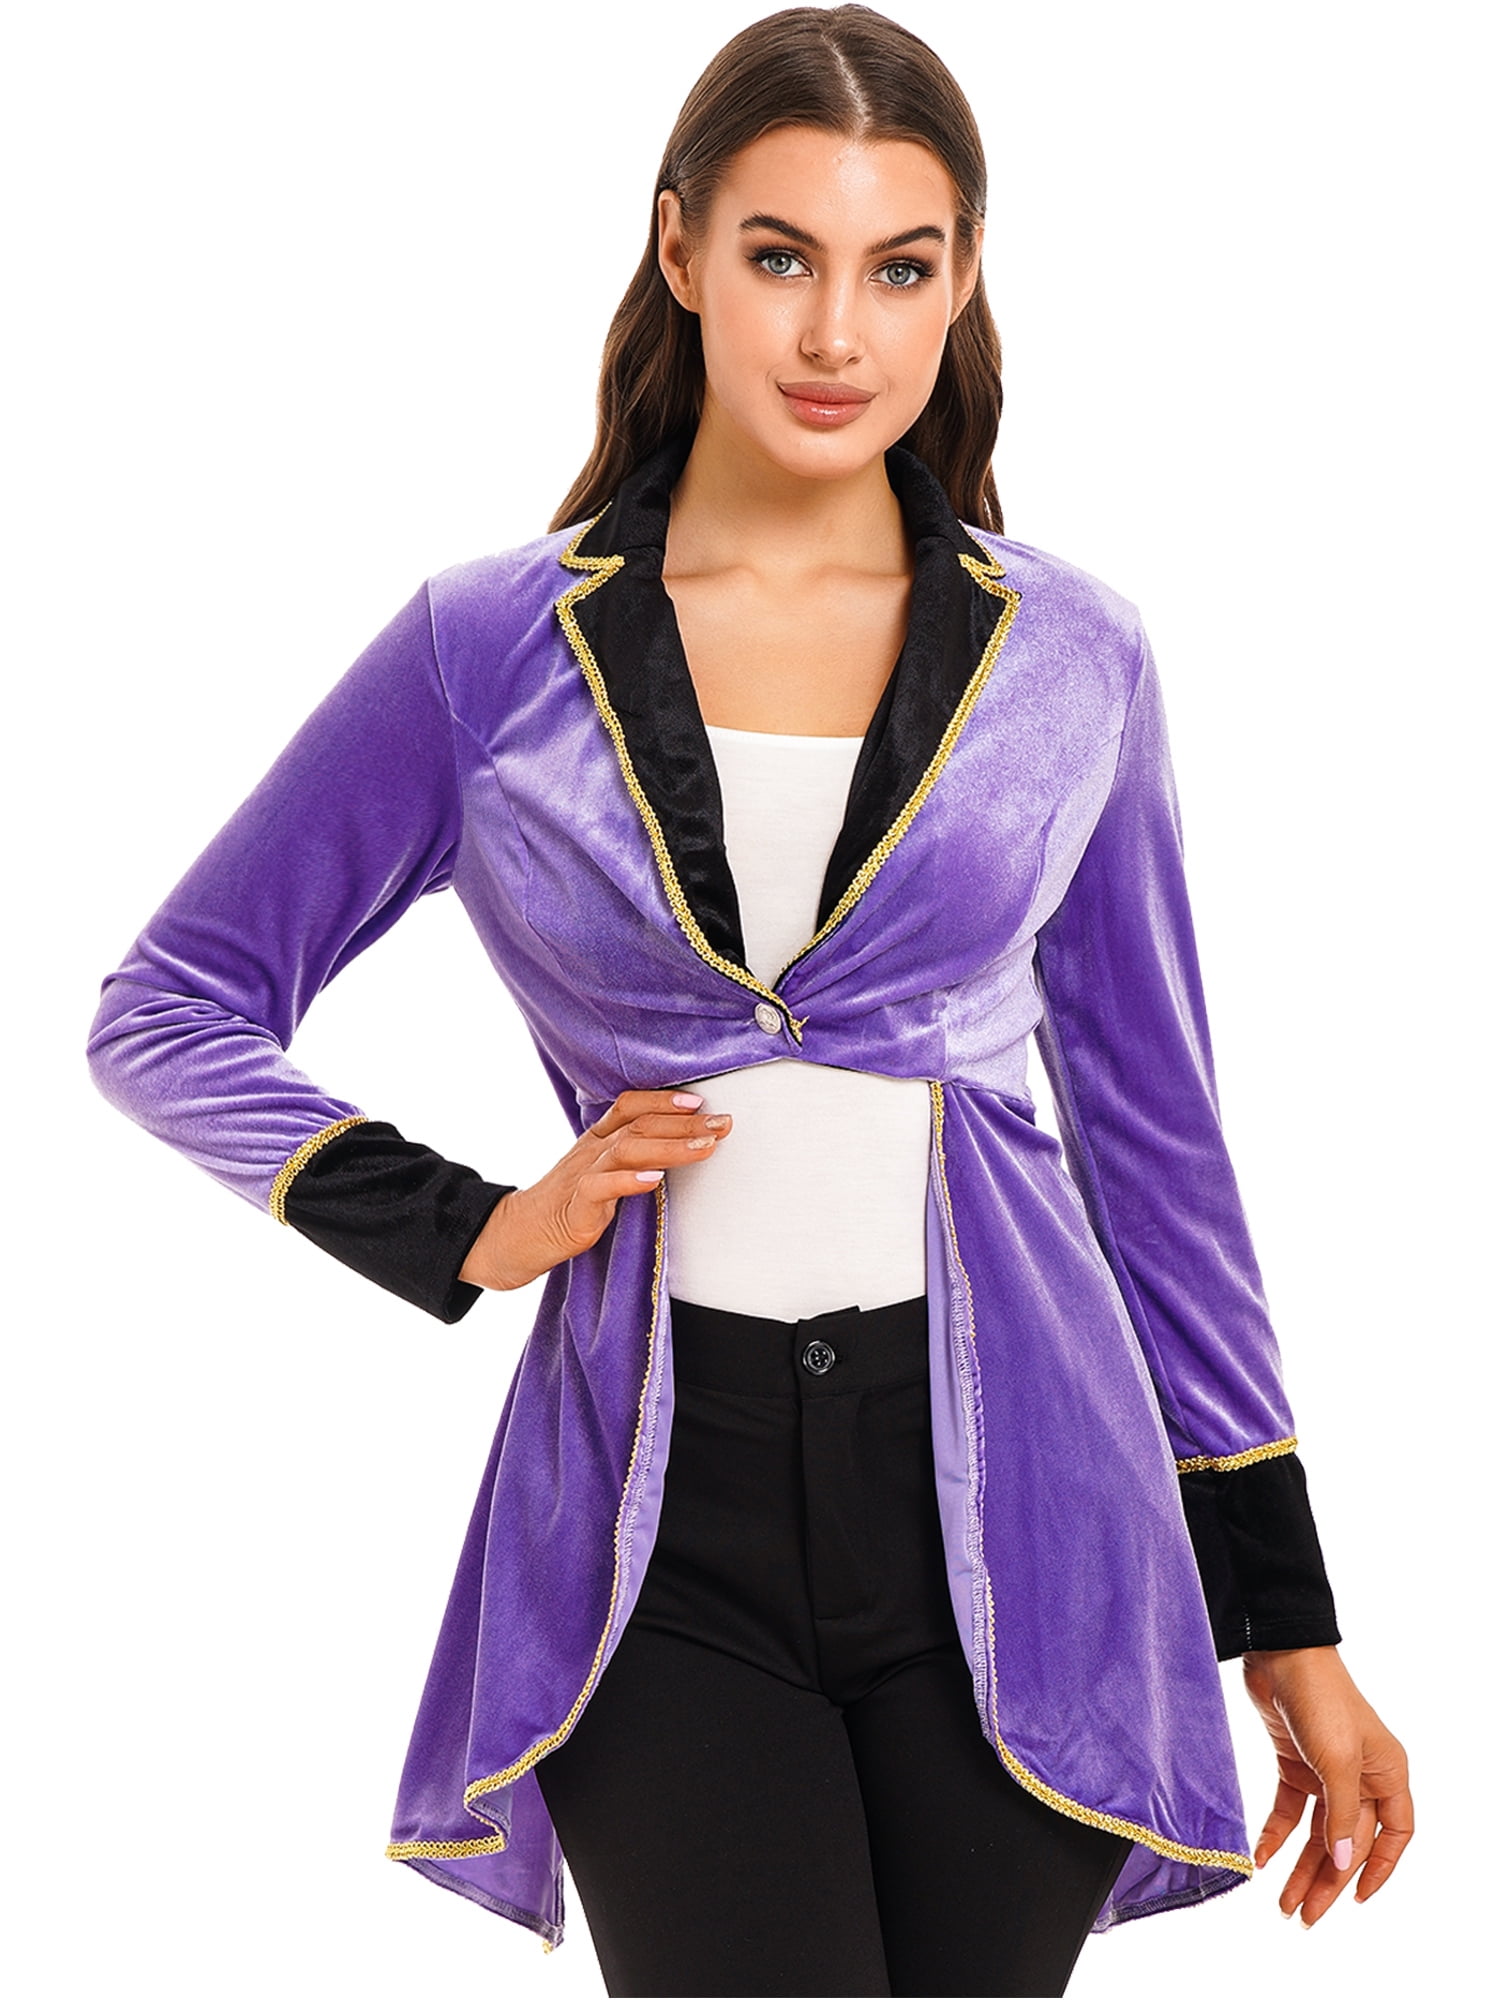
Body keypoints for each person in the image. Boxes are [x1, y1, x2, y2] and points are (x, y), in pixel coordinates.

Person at [85, 6, 1413, 1995]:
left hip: (1030, 1509)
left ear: (965, 280)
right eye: (784, 254)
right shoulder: (488, 651)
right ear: (682, 246)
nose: (837, 333)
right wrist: (466, 1222)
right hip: (656, 1517)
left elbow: (1161, 1157)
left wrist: (1286, 1619)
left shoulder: (1073, 659)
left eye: (903, 268)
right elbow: (170, 1006)